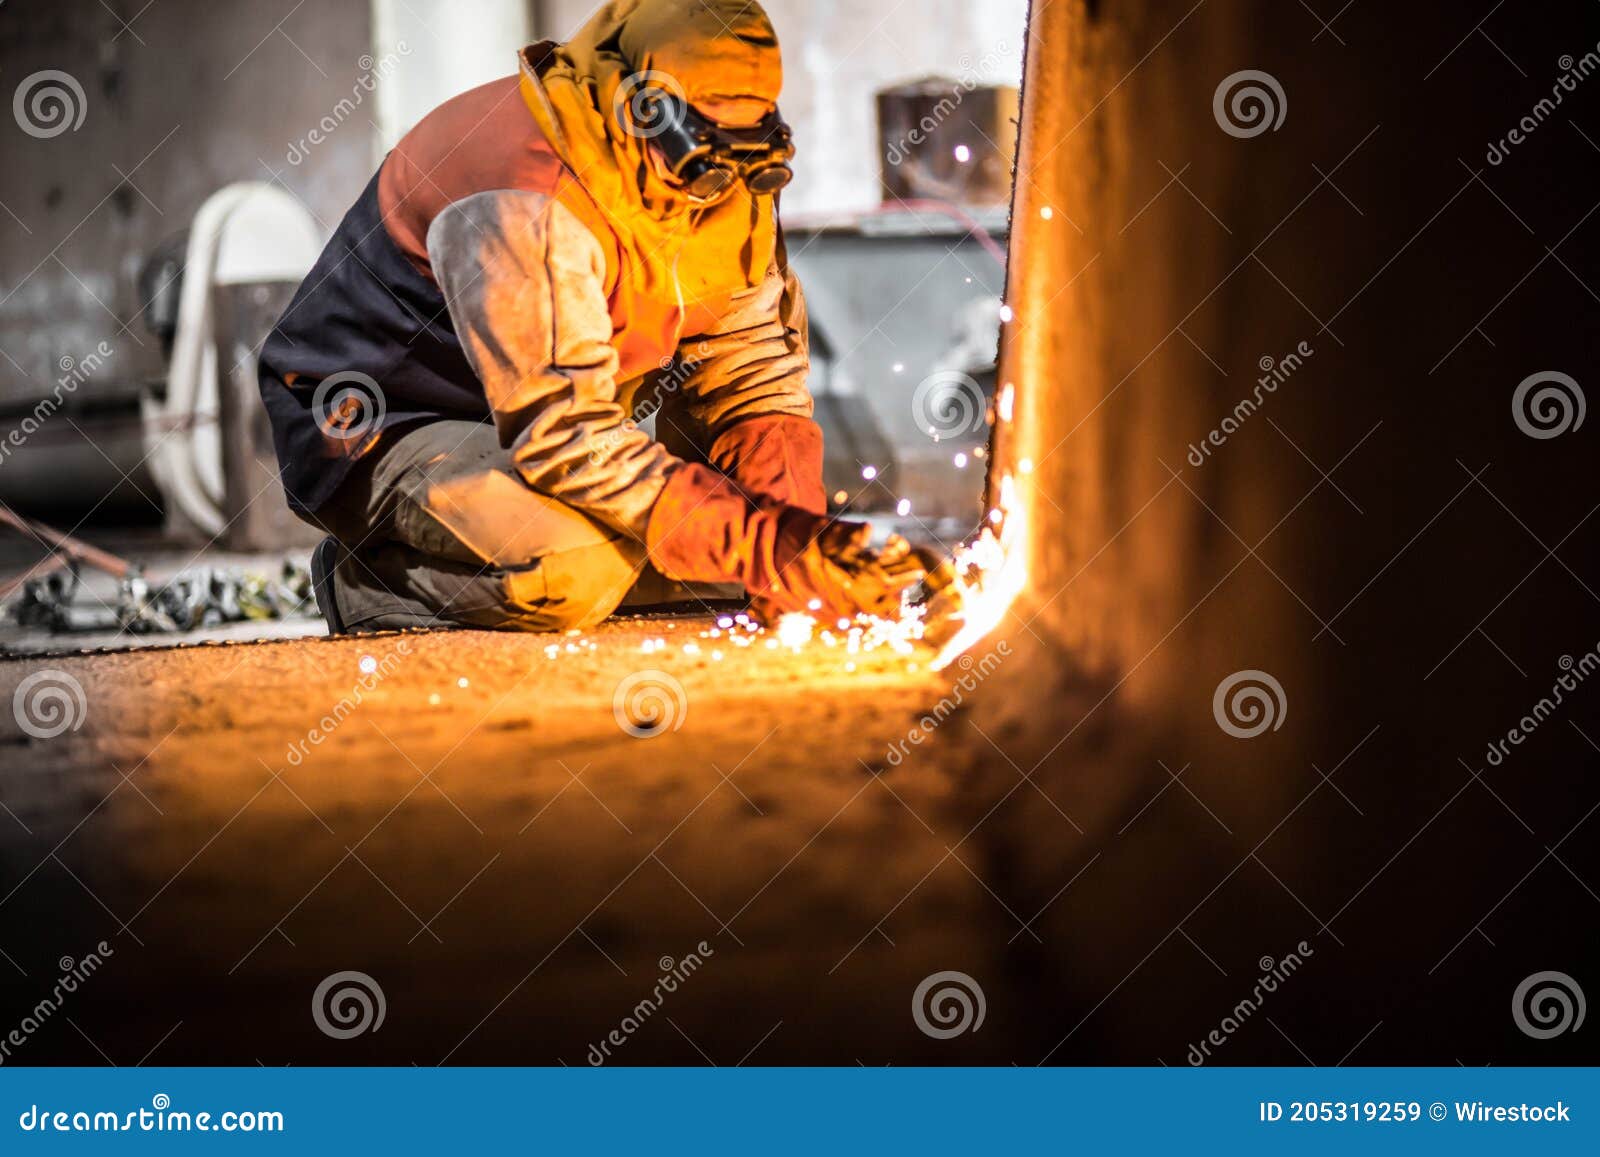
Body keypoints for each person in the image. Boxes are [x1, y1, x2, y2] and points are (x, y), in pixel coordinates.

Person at [258, 0, 922, 634]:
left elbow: (752, 377)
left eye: (739, 154)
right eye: (700, 154)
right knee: (577, 568)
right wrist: (753, 541)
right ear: (640, 106)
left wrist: (789, 543)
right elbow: (563, 433)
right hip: (387, 425)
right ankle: (365, 580)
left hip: (552, 412)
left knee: (737, 553)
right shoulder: (524, 189)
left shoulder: (731, 168)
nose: (713, 191)